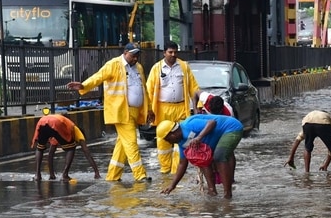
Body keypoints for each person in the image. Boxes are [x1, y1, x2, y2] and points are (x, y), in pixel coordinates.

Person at [67, 43, 152, 182]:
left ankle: (113, 175)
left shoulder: (139, 68)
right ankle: (140, 174)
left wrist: (149, 109)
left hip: (136, 111)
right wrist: (84, 86)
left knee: (123, 144)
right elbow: (98, 77)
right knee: (131, 142)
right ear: (125, 53)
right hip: (121, 111)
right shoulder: (113, 64)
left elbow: (144, 90)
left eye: (137, 55)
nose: (135, 58)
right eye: (133, 55)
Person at [157, 114, 243, 199]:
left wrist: (199, 137)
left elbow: (212, 123)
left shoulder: (189, 124)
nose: (169, 143)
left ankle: (227, 194)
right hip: (218, 137)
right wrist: (172, 185)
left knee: (219, 156)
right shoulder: (182, 143)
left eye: (167, 139)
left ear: (172, 134)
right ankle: (212, 191)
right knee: (202, 159)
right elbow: (182, 164)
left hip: (231, 128)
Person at [146, 40, 200, 174]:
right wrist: (148, 109)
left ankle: (177, 170)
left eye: (175, 52)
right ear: (164, 53)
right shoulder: (156, 68)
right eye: (170, 52)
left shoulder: (184, 66)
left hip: (181, 107)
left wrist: (198, 105)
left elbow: (193, 87)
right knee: (163, 139)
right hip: (163, 109)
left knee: (181, 138)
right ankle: (165, 169)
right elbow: (148, 90)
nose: (173, 54)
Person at [31, 114, 100, 181]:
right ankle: (65, 175)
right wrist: (96, 172)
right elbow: (86, 151)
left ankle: (37, 175)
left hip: (42, 121)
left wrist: (52, 175)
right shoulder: (76, 131)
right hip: (57, 122)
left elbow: (50, 154)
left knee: (40, 148)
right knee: (71, 148)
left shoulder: (57, 134)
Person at [284, 110, 331, 176]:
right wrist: (326, 164)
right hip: (323, 122)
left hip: (307, 122)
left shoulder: (313, 115)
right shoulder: (329, 118)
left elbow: (297, 140)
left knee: (307, 148)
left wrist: (291, 157)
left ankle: (307, 172)